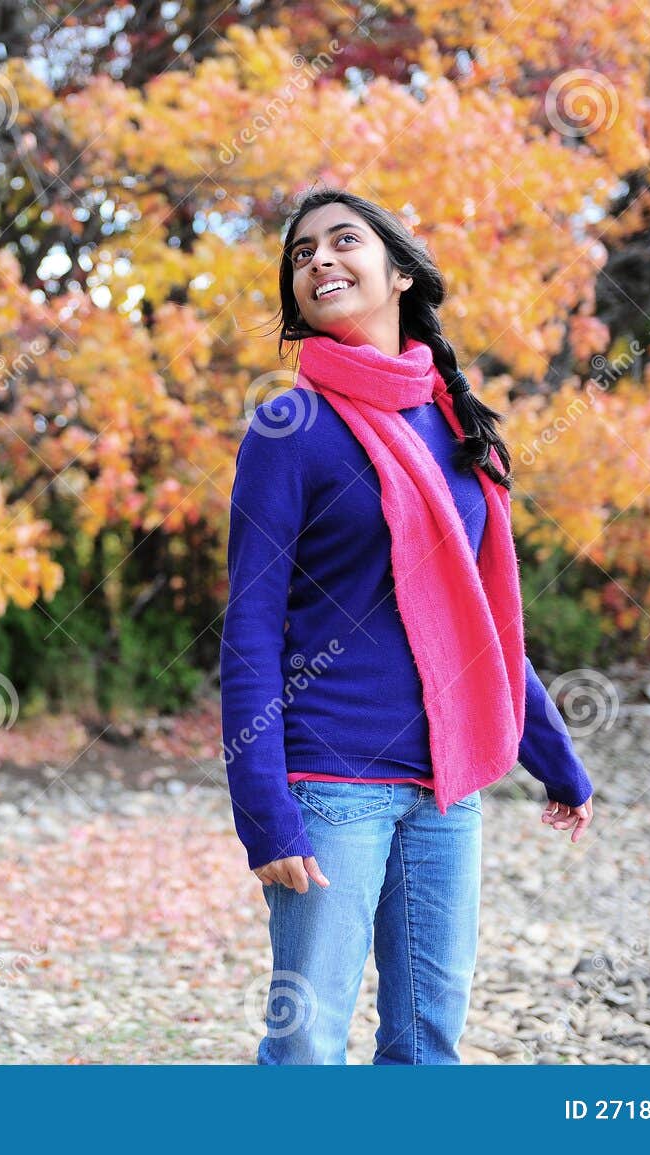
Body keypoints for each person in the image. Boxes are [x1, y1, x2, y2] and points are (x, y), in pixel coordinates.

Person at [219, 188, 596, 1065]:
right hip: (329, 782)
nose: (318, 261)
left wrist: (557, 760)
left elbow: (489, 627)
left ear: (400, 274)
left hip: (448, 785)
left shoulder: (457, 425)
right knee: (308, 1043)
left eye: (342, 242)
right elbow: (249, 630)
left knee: (429, 1040)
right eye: (301, 253)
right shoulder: (290, 427)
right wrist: (263, 810)